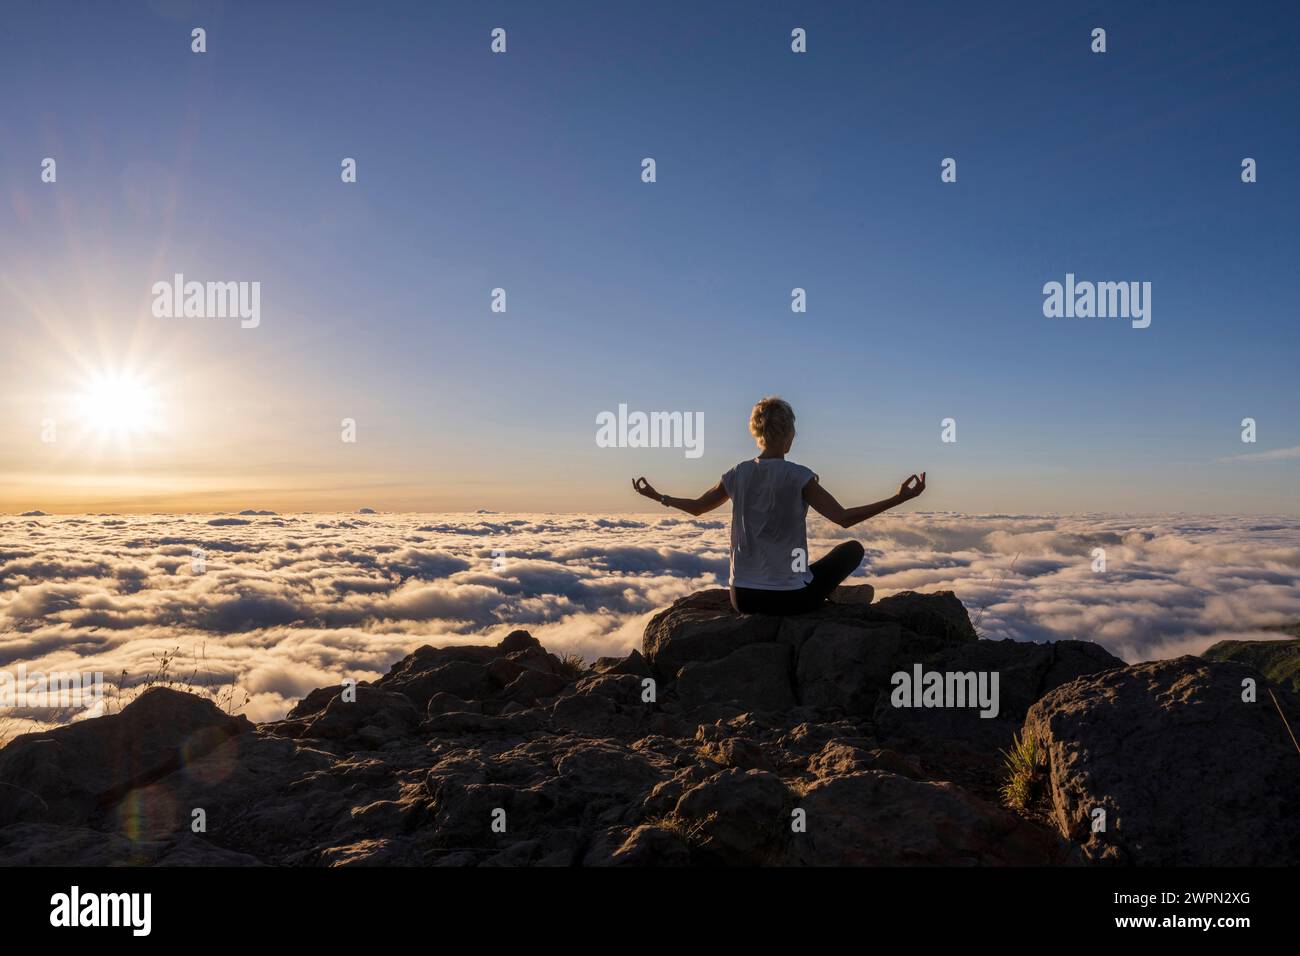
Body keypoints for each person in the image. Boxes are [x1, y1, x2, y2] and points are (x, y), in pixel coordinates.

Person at [633, 395, 926, 615]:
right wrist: (900, 498)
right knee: (851, 550)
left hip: (743, 598)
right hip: (789, 599)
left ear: (757, 432)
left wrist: (659, 496)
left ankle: (815, 585)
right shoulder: (799, 476)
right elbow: (843, 518)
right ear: (788, 434)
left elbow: (698, 507)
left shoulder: (738, 473)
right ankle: (829, 593)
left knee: (803, 568)